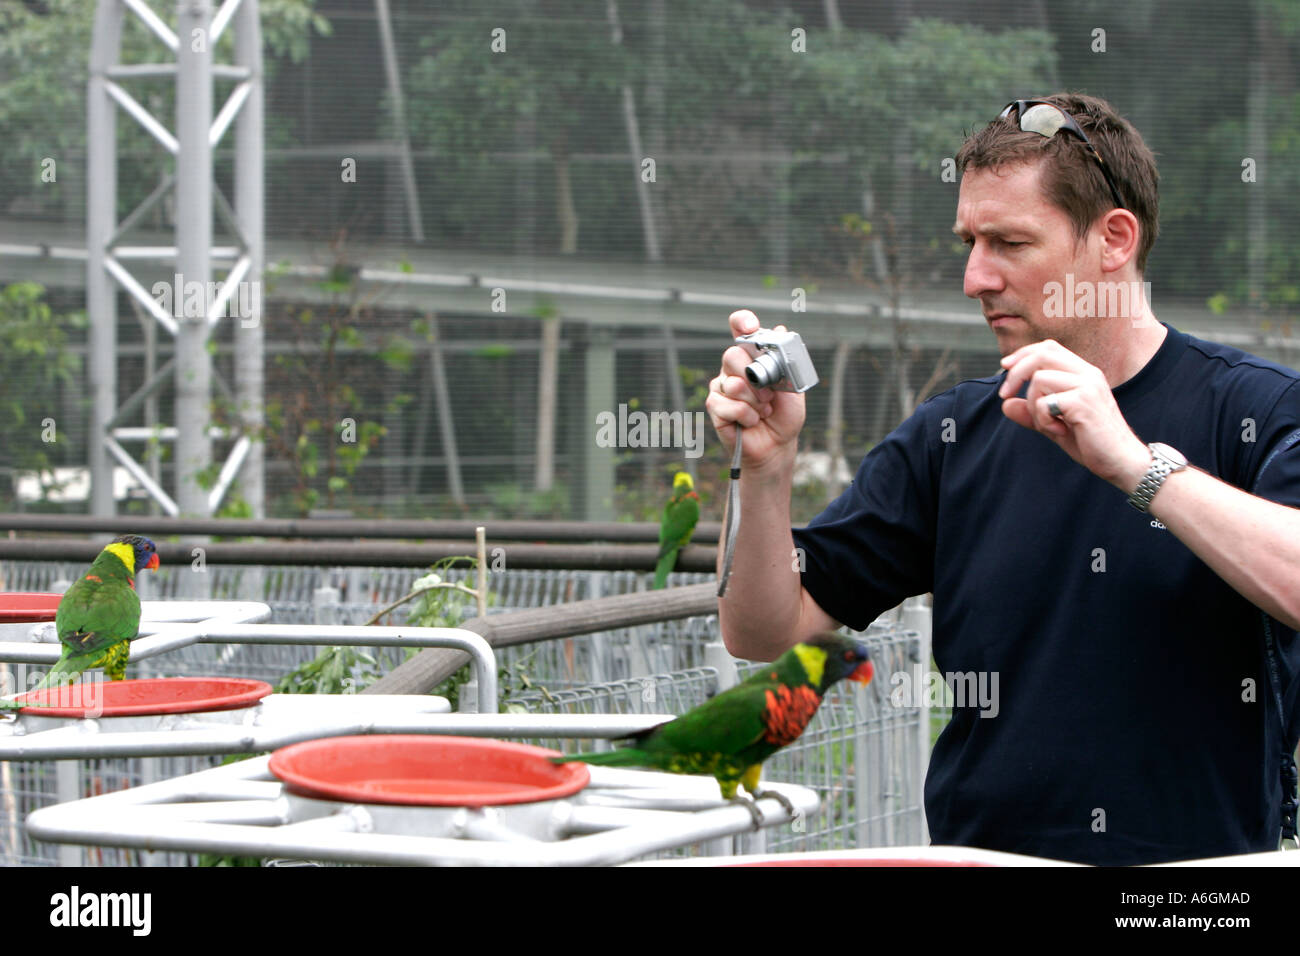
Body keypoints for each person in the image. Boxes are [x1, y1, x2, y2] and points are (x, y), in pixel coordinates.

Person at [705, 92, 1300, 866]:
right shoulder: (953, 433)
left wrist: (1132, 463)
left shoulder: (1255, 407)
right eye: (968, 241)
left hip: (1195, 895)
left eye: (1009, 243)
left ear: (1114, 239)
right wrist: (764, 469)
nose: (974, 276)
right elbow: (760, 630)